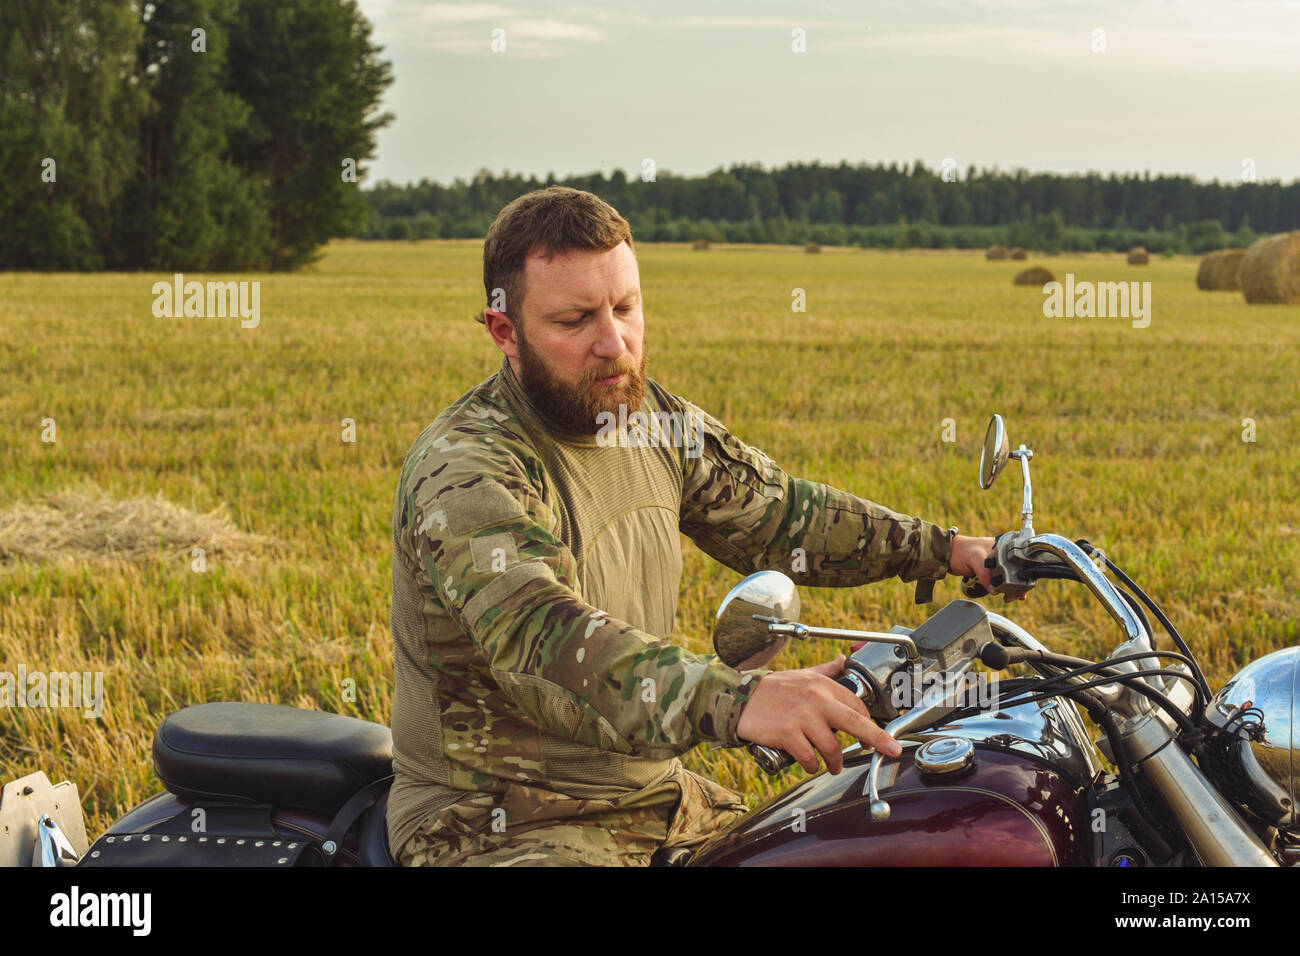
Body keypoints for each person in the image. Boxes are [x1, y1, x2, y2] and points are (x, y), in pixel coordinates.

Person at [386, 186, 1015, 867]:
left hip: (654, 799)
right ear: (505, 333)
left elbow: (778, 514)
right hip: (501, 823)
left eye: (625, 308)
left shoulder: (650, 422)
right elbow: (541, 640)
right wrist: (742, 700)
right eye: (574, 321)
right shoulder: (469, 468)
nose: (613, 343)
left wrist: (946, 549)